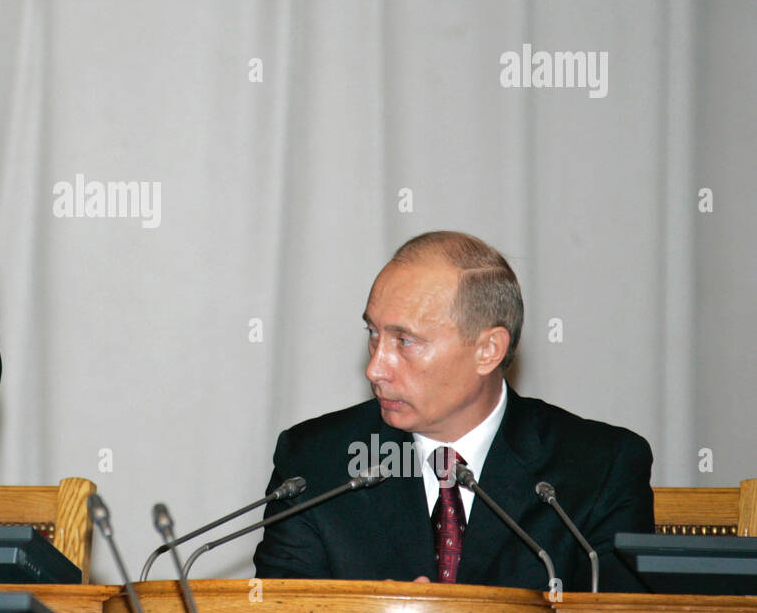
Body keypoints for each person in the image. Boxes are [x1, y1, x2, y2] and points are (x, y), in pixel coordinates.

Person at [253, 231, 654, 592]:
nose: (375, 368)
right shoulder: (315, 463)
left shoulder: (600, 467)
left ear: (488, 351)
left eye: (405, 341)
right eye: (373, 334)